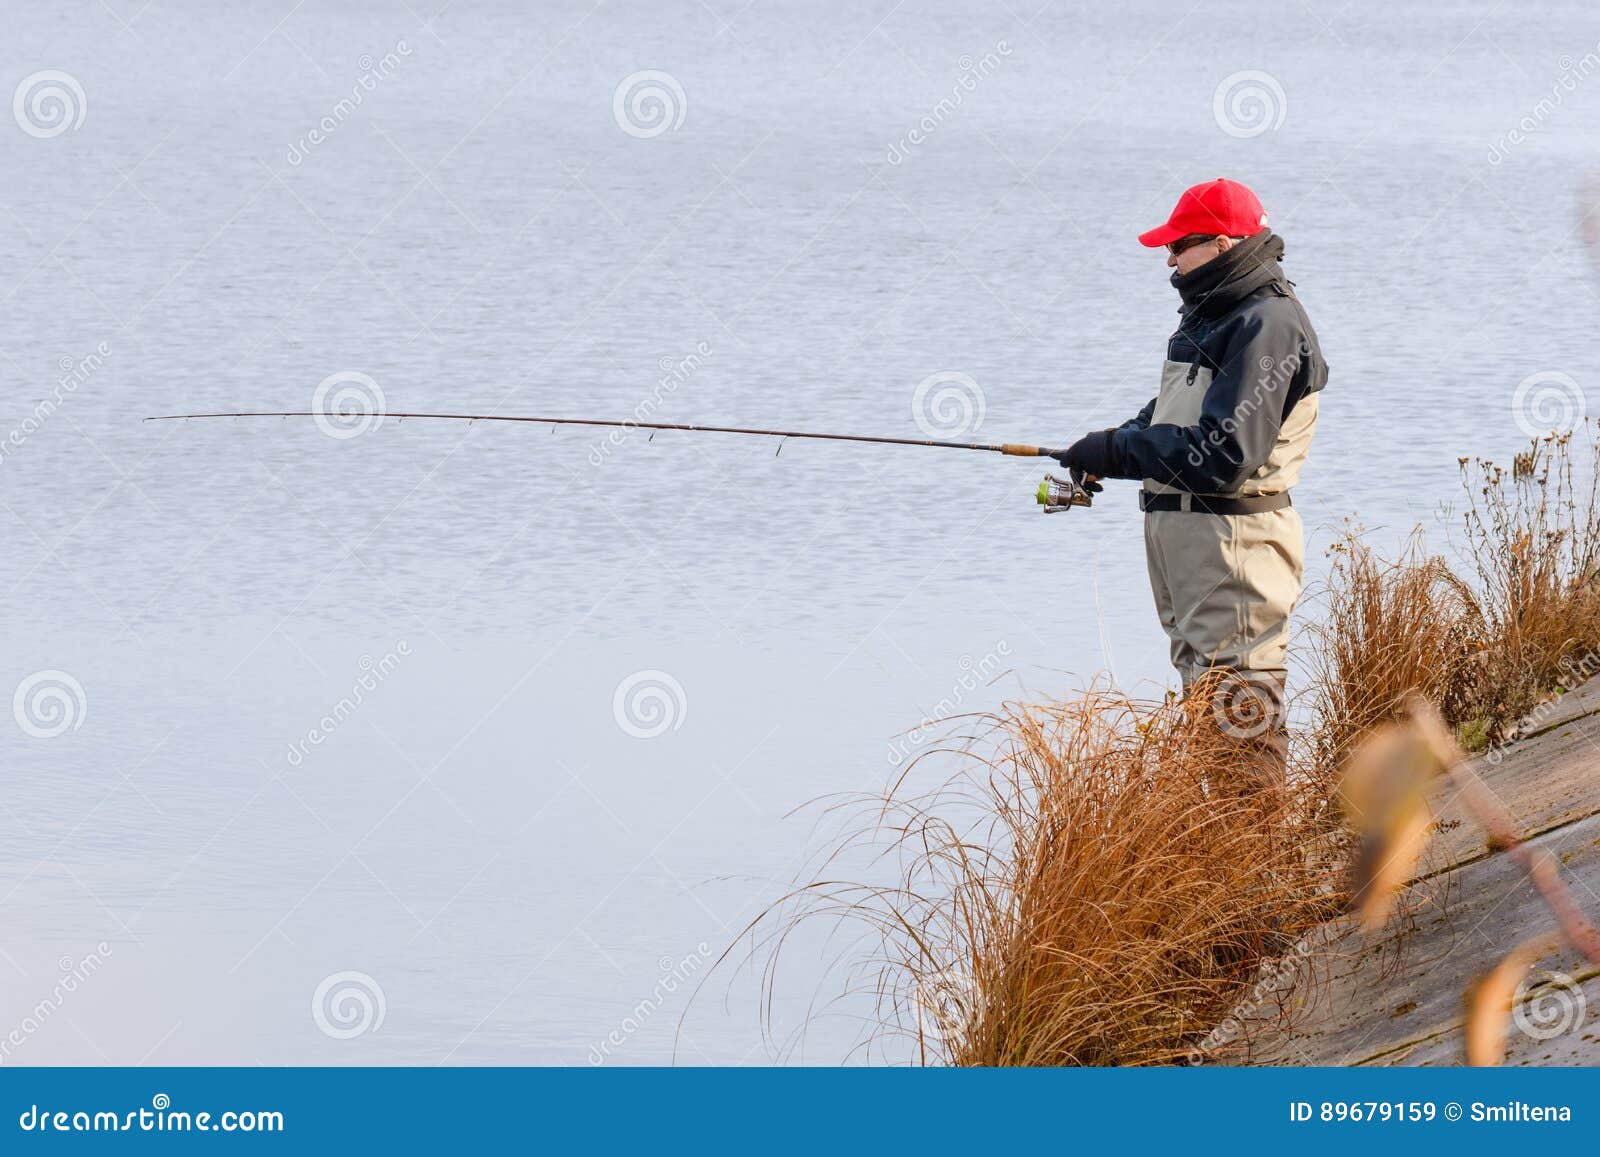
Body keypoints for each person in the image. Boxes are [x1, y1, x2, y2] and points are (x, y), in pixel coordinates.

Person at [1062, 178, 1328, 783]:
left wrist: (1119, 449)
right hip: (1199, 550)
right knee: (1210, 698)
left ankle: (1260, 861)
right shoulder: (1219, 317)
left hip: (1235, 549)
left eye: (1181, 246)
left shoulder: (1267, 324)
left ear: (1225, 242)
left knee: (1240, 705)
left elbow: (1223, 452)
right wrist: (1106, 448)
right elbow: (1172, 417)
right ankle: (1229, 860)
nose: (1170, 259)